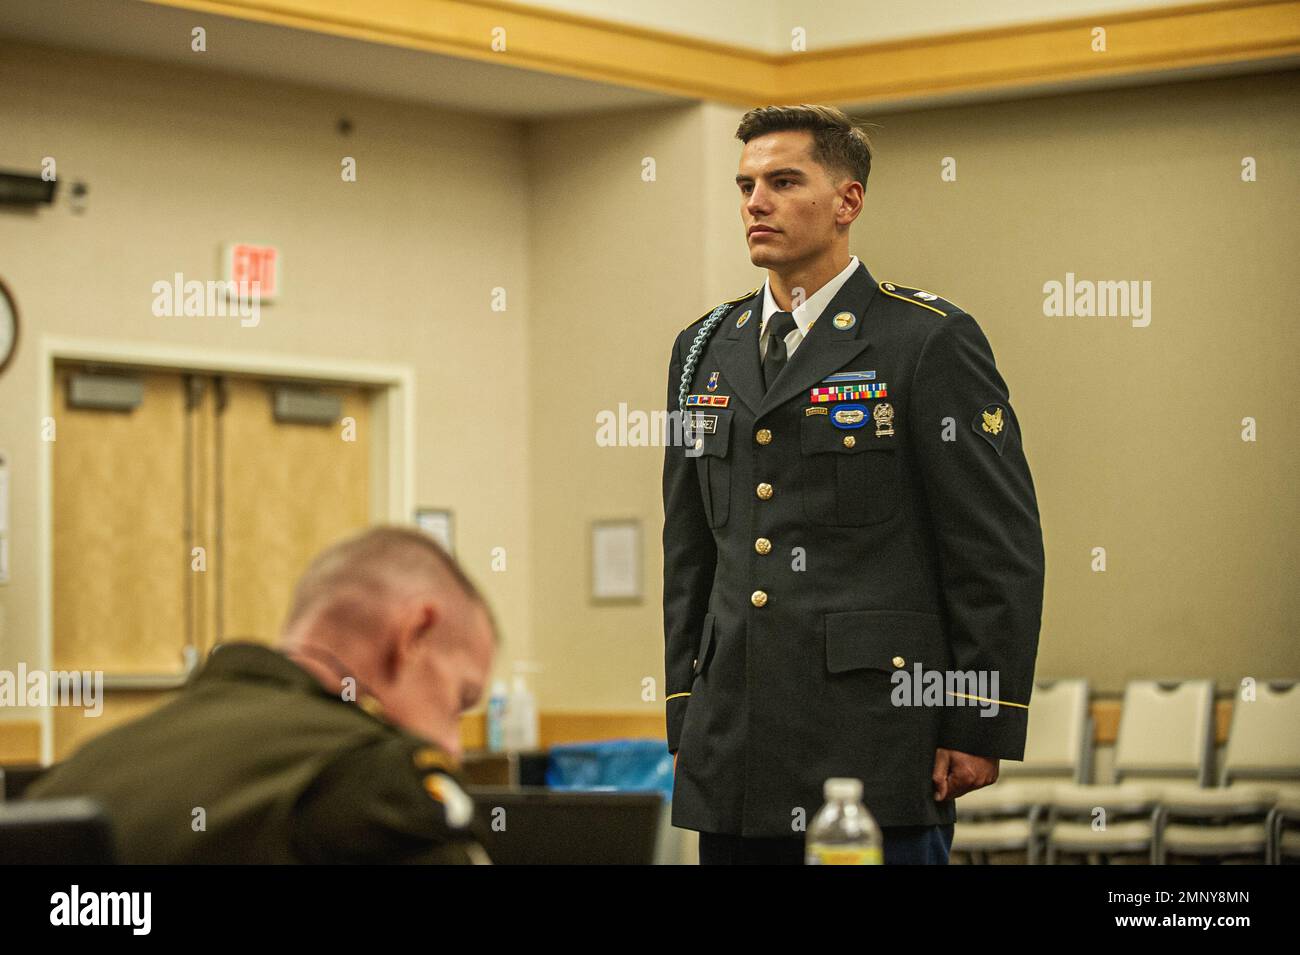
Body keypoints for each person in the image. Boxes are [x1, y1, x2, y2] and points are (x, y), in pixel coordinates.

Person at [661, 104, 1046, 865]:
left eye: (781, 181)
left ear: (847, 201)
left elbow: (995, 550)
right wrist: (686, 710)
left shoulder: (926, 339)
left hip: (877, 735)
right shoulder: (703, 347)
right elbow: (689, 548)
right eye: (744, 186)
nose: (755, 203)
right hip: (733, 743)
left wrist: (974, 719)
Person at [27, 526, 497, 864]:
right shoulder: (375, 790)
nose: (453, 746)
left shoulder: (71, 782)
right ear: (414, 632)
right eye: (460, 699)